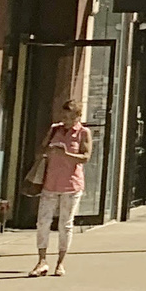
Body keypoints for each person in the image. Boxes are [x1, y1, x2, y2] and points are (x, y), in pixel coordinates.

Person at [31, 98, 91, 276]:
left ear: (77, 116)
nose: (64, 119)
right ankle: (41, 261)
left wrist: (66, 154)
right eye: (63, 115)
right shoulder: (55, 129)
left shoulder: (83, 133)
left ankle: (60, 262)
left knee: (65, 224)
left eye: (69, 116)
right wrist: (48, 151)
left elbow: (86, 157)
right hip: (50, 183)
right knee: (43, 222)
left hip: (71, 185)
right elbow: (40, 151)